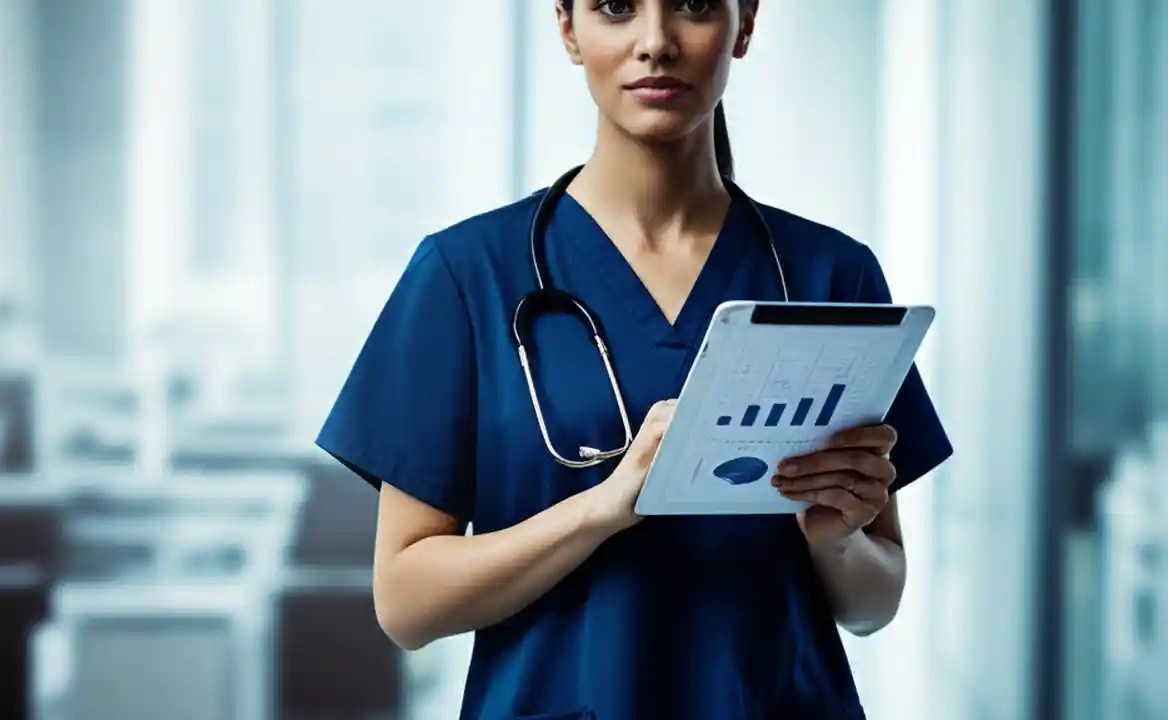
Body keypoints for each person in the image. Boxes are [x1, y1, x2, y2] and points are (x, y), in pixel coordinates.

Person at [315, 0, 953, 717]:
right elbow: (405, 603)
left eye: (694, 6)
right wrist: (603, 508)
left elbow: (875, 601)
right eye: (616, 7)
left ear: (744, 24)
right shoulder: (466, 275)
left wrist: (835, 543)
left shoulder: (831, 276)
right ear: (568, 28)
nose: (655, 42)